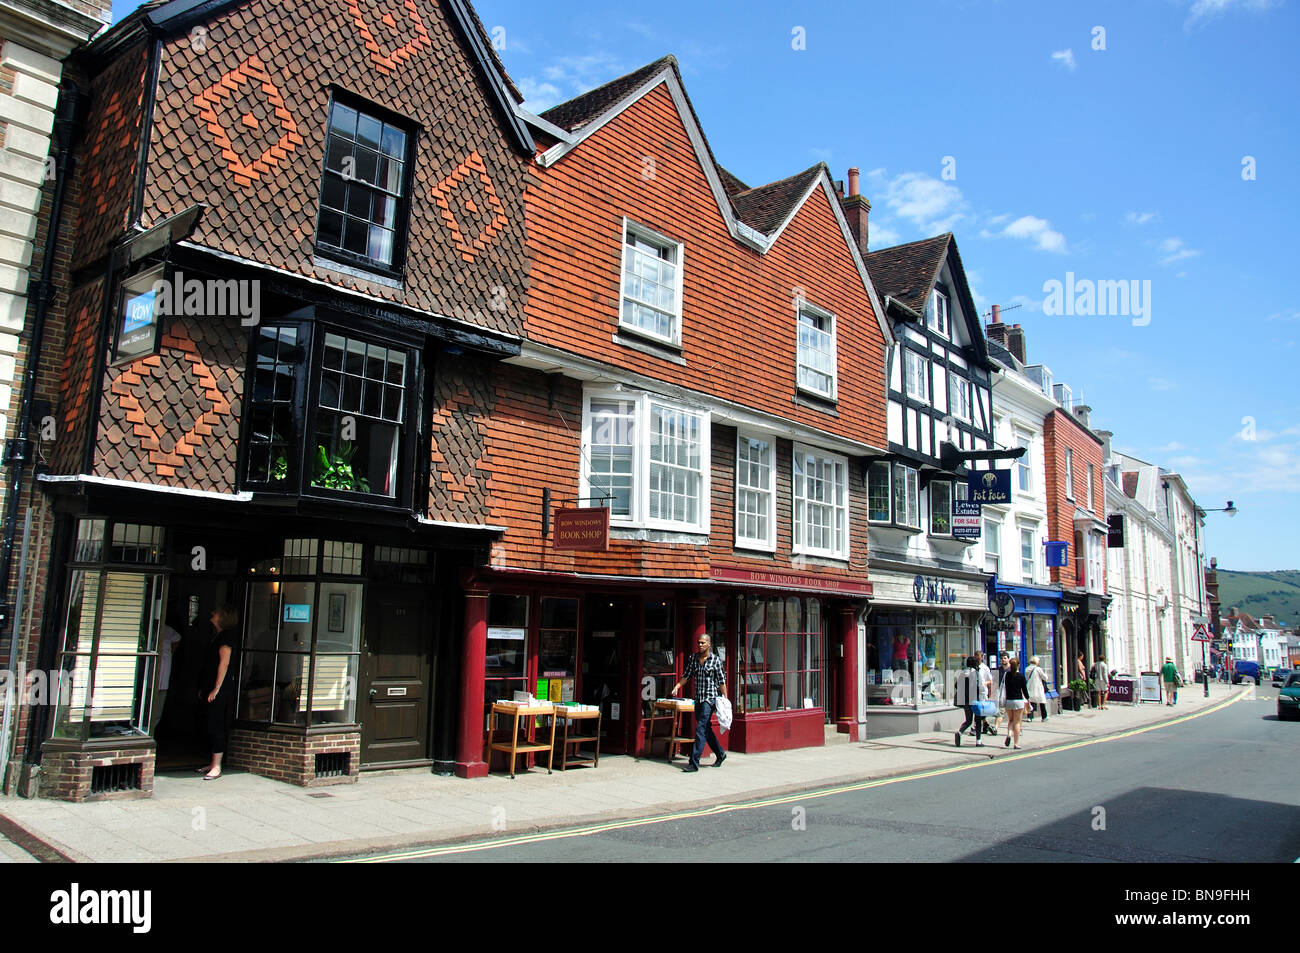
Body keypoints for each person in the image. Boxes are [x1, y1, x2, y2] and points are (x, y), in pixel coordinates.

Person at [670, 633, 728, 772]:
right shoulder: (693, 658)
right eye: (698, 643)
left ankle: (693, 763)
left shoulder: (715, 660)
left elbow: (721, 681)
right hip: (698, 699)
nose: (700, 645)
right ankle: (720, 754)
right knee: (706, 729)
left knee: (700, 729)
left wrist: (725, 699)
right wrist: (677, 686)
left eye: (702, 643)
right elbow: (687, 675)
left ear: (709, 644)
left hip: (710, 699)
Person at [199, 604, 240, 780]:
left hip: (220, 689)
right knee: (209, 723)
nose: (212, 612)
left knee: (216, 724)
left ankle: (217, 766)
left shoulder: (226, 637)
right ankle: (212, 762)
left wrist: (216, 688)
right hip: (211, 686)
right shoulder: (217, 636)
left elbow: (224, 663)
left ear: (223, 616)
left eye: (216, 611)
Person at [149, 616, 183, 735]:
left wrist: (172, 651)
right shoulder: (152, 629)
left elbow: (178, 638)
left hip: (161, 671)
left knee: (158, 698)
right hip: (152, 672)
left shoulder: (166, 630)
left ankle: (151, 729)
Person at [953, 656, 985, 747]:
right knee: (978, 720)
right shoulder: (977, 674)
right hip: (975, 700)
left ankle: (959, 732)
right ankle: (978, 741)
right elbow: (981, 687)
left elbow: (956, 685)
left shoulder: (963, 673)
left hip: (965, 700)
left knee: (968, 720)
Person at [1002, 657, 1029, 749]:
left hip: (1009, 701)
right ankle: (1016, 743)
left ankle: (1009, 734)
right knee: (1017, 722)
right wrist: (1028, 699)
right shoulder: (1021, 676)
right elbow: (1024, 690)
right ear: (1018, 665)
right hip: (1018, 701)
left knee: (1010, 720)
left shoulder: (1007, 675)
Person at [973, 650, 996, 736]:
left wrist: (989, 691)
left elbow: (990, 681)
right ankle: (985, 725)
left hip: (982, 692)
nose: (977, 659)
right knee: (976, 709)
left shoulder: (985, 668)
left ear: (982, 658)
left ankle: (977, 727)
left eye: (978, 658)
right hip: (974, 692)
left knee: (980, 710)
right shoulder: (973, 667)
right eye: (976, 658)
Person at [1025, 655, 1049, 722]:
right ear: (1036, 662)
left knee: (1030, 702)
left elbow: (1027, 678)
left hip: (1029, 686)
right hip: (1038, 687)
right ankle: (1044, 716)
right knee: (1042, 702)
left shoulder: (1027, 669)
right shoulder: (1038, 669)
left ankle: (1029, 717)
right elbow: (1045, 678)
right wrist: (1046, 675)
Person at [992, 652, 1011, 734]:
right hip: (1001, 695)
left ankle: (1017, 728)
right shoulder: (998, 670)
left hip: (1011, 694)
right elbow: (994, 683)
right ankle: (995, 728)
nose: (1003, 660)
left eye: (1005, 658)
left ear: (1008, 659)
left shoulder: (1012, 669)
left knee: (1013, 715)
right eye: (1001, 658)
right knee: (1000, 712)